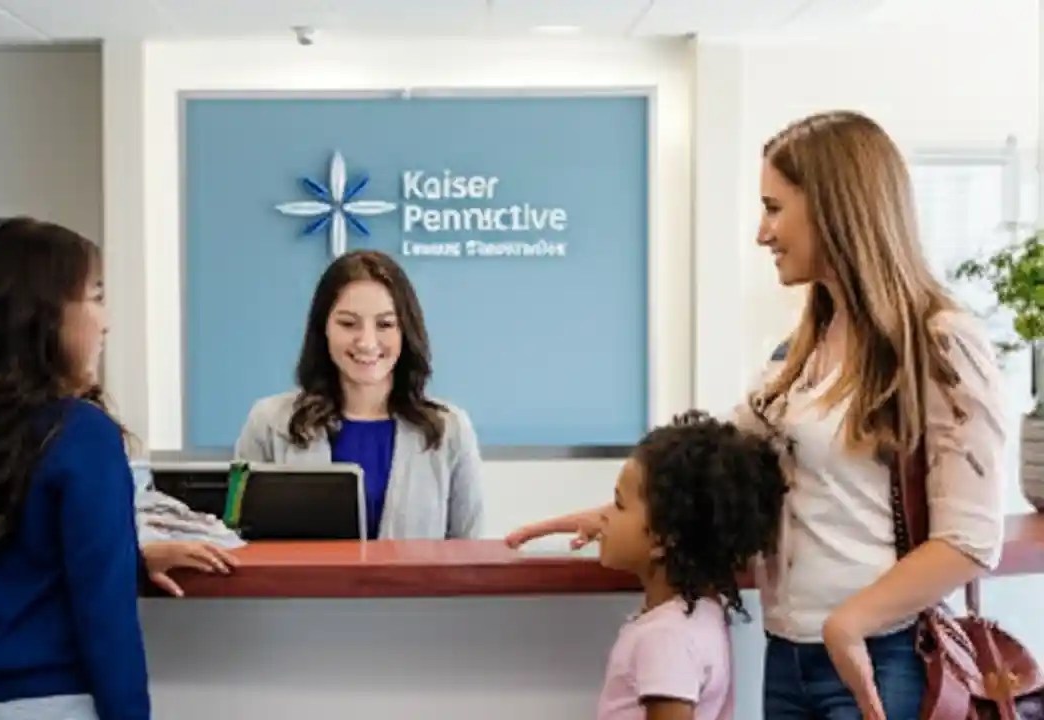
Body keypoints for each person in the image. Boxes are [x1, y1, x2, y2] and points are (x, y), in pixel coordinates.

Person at [508, 111, 1006, 720]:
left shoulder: (939, 342)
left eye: (774, 208)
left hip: (885, 660)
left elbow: (969, 541)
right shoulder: (794, 359)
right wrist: (618, 510)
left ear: (834, 207)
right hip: (789, 658)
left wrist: (849, 625)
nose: (762, 233)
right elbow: (714, 468)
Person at [0, 218, 236, 720]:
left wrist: (129, 557)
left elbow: (21, 566)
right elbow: (106, 622)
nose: (106, 321)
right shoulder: (83, 434)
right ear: (44, 315)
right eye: (95, 297)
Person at [235, 249, 484, 539]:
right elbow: (237, 541)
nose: (367, 342)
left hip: (417, 588)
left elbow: (470, 550)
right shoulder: (268, 422)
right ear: (323, 328)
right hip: (300, 587)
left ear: (406, 331)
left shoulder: (449, 428)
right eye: (348, 323)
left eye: (385, 325)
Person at [590, 411, 785, 720]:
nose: (601, 517)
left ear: (663, 538)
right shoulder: (698, 615)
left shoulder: (667, 637)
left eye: (618, 505)